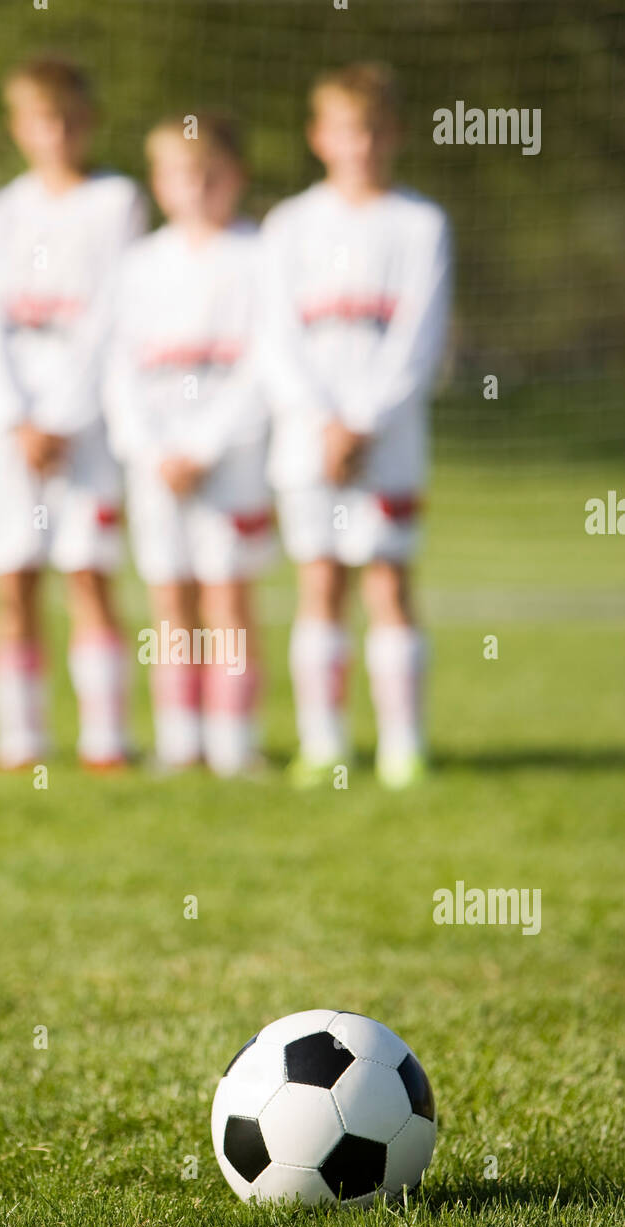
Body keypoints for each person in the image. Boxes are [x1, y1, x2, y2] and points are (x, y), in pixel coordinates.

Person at [261, 63, 451, 788]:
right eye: (344, 130)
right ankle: (325, 744)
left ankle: (404, 746)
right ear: (318, 137)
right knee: (319, 583)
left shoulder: (421, 224)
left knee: (389, 584)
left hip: (388, 445)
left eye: (372, 131)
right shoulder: (289, 225)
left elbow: (418, 337)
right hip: (308, 444)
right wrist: (323, 423)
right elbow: (276, 337)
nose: (360, 145)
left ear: (394, 136)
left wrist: (364, 421)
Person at [0, 55, 147, 770]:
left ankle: (106, 740)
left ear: (90, 121)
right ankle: (22, 740)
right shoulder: (0, 211)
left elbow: (113, 314)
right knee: (11, 581)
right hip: (12, 434)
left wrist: (65, 416)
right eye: (43, 121)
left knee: (88, 575)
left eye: (70, 119)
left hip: (86, 428)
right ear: (18, 128)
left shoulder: (117, 202)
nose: (58, 133)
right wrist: (16, 418)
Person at [104, 115, 272, 775]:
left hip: (229, 463)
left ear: (238, 178)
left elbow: (262, 364)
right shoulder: (140, 263)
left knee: (227, 595)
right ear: (158, 182)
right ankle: (179, 740)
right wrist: (154, 450)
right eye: (179, 174)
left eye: (210, 175)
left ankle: (234, 742)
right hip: (156, 465)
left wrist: (204, 446)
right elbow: (119, 367)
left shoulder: (259, 256)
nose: (195, 188)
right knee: (169, 597)